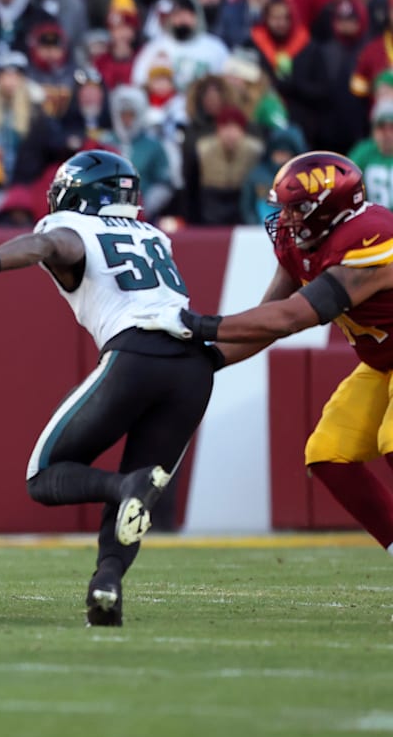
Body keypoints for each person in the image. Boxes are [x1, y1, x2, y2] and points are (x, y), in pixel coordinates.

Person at [0, 150, 218, 627]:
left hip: (137, 354)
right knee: (136, 497)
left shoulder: (76, 228)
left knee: (45, 476)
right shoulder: (155, 235)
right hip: (195, 367)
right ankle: (107, 583)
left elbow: (49, 246)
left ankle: (123, 487)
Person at [137, 151, 393, 558]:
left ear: (331, 207)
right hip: (382, 362)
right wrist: (203, 360)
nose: (287, 219)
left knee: (391, 439)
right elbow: (266, 319)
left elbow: (291, 317)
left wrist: (195, 323)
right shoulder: (304, 241)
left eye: (297, 209)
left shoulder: (371, 239)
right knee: (329, 454)